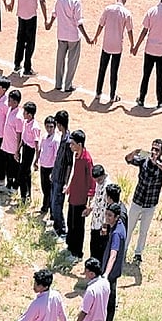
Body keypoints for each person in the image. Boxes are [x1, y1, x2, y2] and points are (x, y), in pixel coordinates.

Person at [125, 139, 162, 265]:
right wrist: (135, 152)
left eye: (157, 150)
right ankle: (123, 250)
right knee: (129, 227)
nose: (154, 151)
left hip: (150, 204)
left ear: (161, 152)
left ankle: (138, 253)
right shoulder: (143, 160)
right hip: (137, 201)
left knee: (143, 230)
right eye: (153, 148)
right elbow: (128, 159)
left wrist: (156, 163)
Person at [49, 0, 92, 92]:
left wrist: (50, 23)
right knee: (72, 61)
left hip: (61, 33)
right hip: (73, 36)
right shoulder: (76, 0)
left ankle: (58, 83)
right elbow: (78, 22)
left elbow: (55, 12)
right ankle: (68, 85)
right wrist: (87, 37)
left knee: (60, 59)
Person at [91, 0, 135, 103]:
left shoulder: (108, 9)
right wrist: (132, 44)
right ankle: (112, 95)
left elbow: (101, 25)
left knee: (102, 69)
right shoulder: (126, 13)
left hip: (106, 44)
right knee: (114, 71)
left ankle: (98, 92)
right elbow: (129, 31)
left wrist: (96, 36)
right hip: (117, 46)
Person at [66, 130, 96, 260]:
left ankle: (77, 253)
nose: (70, 146)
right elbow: (75, 174)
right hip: (73, 196)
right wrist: (69, 187)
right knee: (70, 222)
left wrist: (89, 203)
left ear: (79, 144)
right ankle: (70, 246)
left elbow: (92, 181)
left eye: (72, 144)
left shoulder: (87, 159)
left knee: (78, 227)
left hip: (80, 200)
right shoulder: (77, 155)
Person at [99, 201, 126, 321]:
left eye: (110, 216)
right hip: (113, 272)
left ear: (116, 217)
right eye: (106, 214)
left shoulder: (116, 233)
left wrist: (106, 274)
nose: (107, 218)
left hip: (111, 274)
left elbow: (113, 254)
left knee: (108, 303)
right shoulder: (118, 225)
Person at [48, 110, 73, 237]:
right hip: (56, 175)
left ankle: (61, 229)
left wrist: (66, 182)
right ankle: (57, 226)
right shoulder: (63, 137)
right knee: (53, 202)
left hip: (61, 178)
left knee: (57, 204)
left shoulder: (68, 141)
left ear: (59, 124)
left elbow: (69, 163)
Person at [0, 89, 24, 190]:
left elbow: (19, 135)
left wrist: (17, 150)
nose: (8, 102)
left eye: (10, 100)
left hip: (13, 147)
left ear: (15, 102)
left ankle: (14, 187)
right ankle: (8, 184)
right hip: (7, 145)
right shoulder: (10, 110)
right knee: (8, 167)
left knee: (14, 168)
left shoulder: (18, 117)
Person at [18, 102, 42, 204]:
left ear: (30, 114)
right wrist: (18, 149)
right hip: (25, 148)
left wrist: (36, 160)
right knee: (26, 173)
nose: (23, 113)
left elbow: (36, 144)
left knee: (22, 173)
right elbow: (23, 139)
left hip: (30, 151)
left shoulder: (35, 127)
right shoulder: (26, 122)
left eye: (25, 112)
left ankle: (24, 196)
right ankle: (27, 196)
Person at [87, 166, 112, 260]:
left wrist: (105, 225)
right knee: (93, 247)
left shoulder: (109, 186)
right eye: (96, 180)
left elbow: (109, 207)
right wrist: (90, 208)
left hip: (103, 224)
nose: (98, 182)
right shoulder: (98, 184)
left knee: (101, 249)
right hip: (95, 221)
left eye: (99, 179)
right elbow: (97, 198)